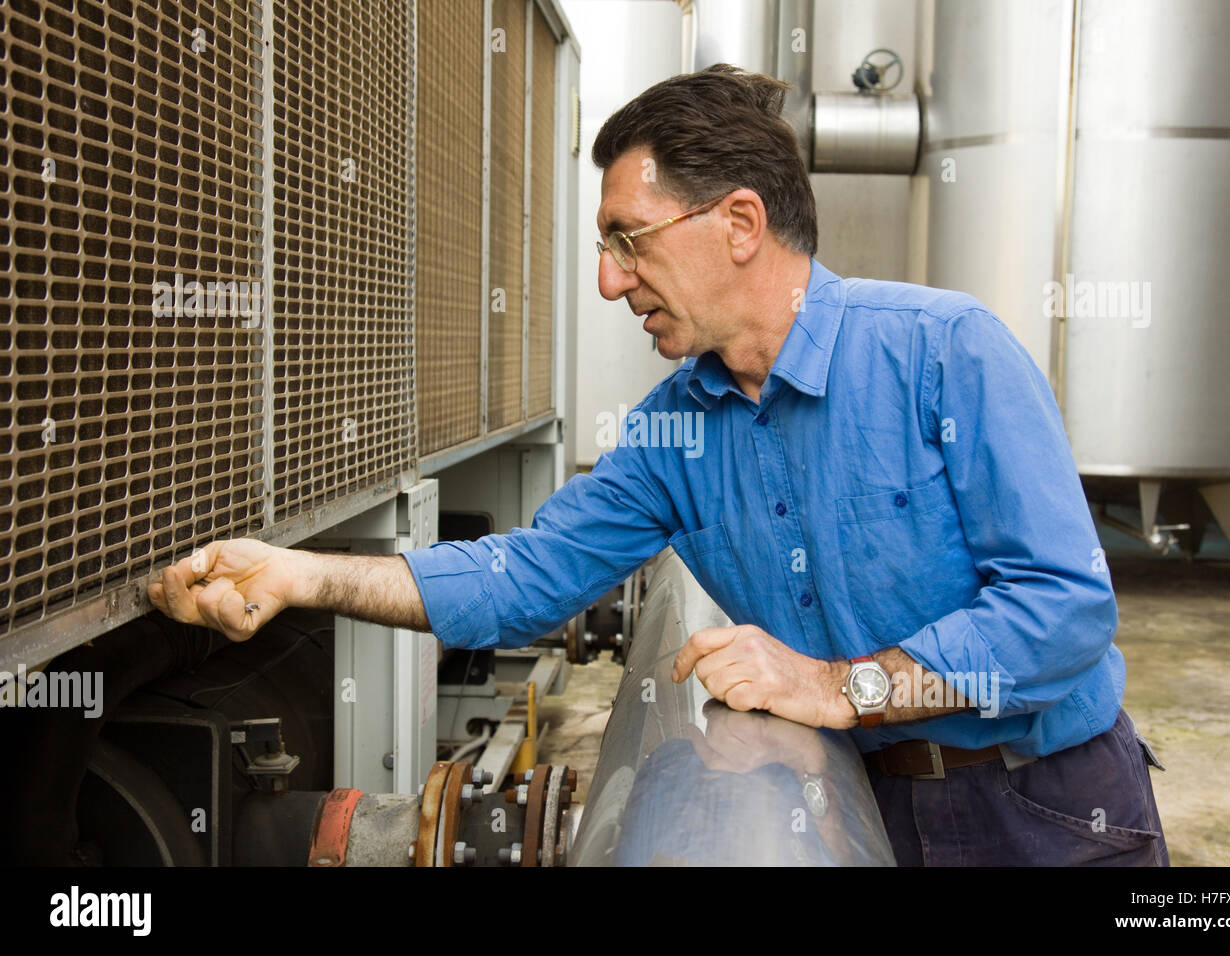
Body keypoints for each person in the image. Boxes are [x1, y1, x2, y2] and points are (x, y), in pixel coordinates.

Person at [149, 64, 1168, 866]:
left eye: (627, 239)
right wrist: (300, 575)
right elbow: (527, 575)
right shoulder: (675, 429)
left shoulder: (944, 352)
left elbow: (1065, 610)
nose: (606, 280)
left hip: (1046, 807)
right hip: (865, 809)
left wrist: (840, 684)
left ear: (736, 223)